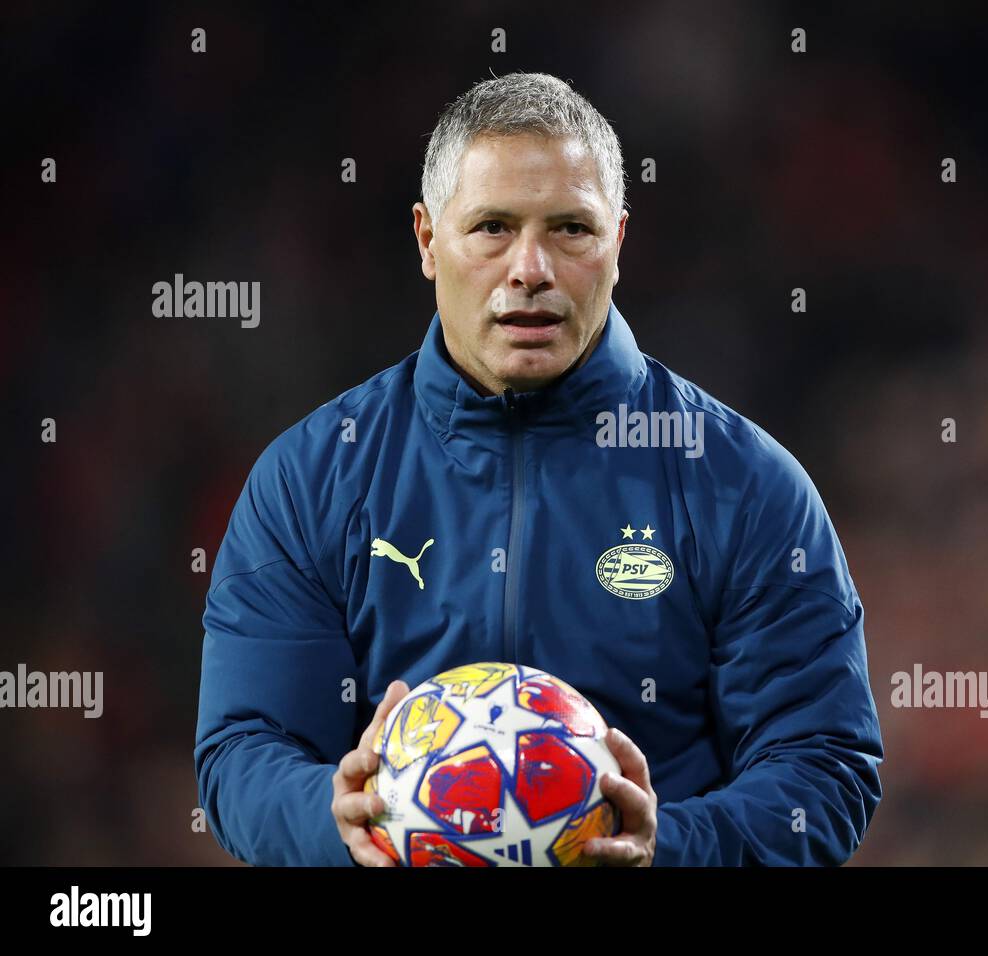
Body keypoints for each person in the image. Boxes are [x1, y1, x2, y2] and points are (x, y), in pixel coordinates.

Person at [195, 71, 883, 867]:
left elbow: (822, 767)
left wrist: (668, 849)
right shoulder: (309, 480)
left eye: (570, 230)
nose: (531, 268)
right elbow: (245, 748)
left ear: (617, 243)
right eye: (491, 227)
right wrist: (335, 821)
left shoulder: (747, 485)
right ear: (426, 240)